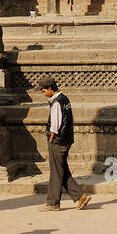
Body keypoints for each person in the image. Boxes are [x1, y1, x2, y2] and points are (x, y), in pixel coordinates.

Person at [39, 77, 91, 211]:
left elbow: (55, 125)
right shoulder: (65, 99)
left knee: (56, 172)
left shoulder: (56, 102)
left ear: (50, 88)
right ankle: (80, 197)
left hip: (57, 141)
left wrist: (51, 139)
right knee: (62, 170)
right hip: (67, 140)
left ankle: (53, 203)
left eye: (44, 90)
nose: (43, 93)